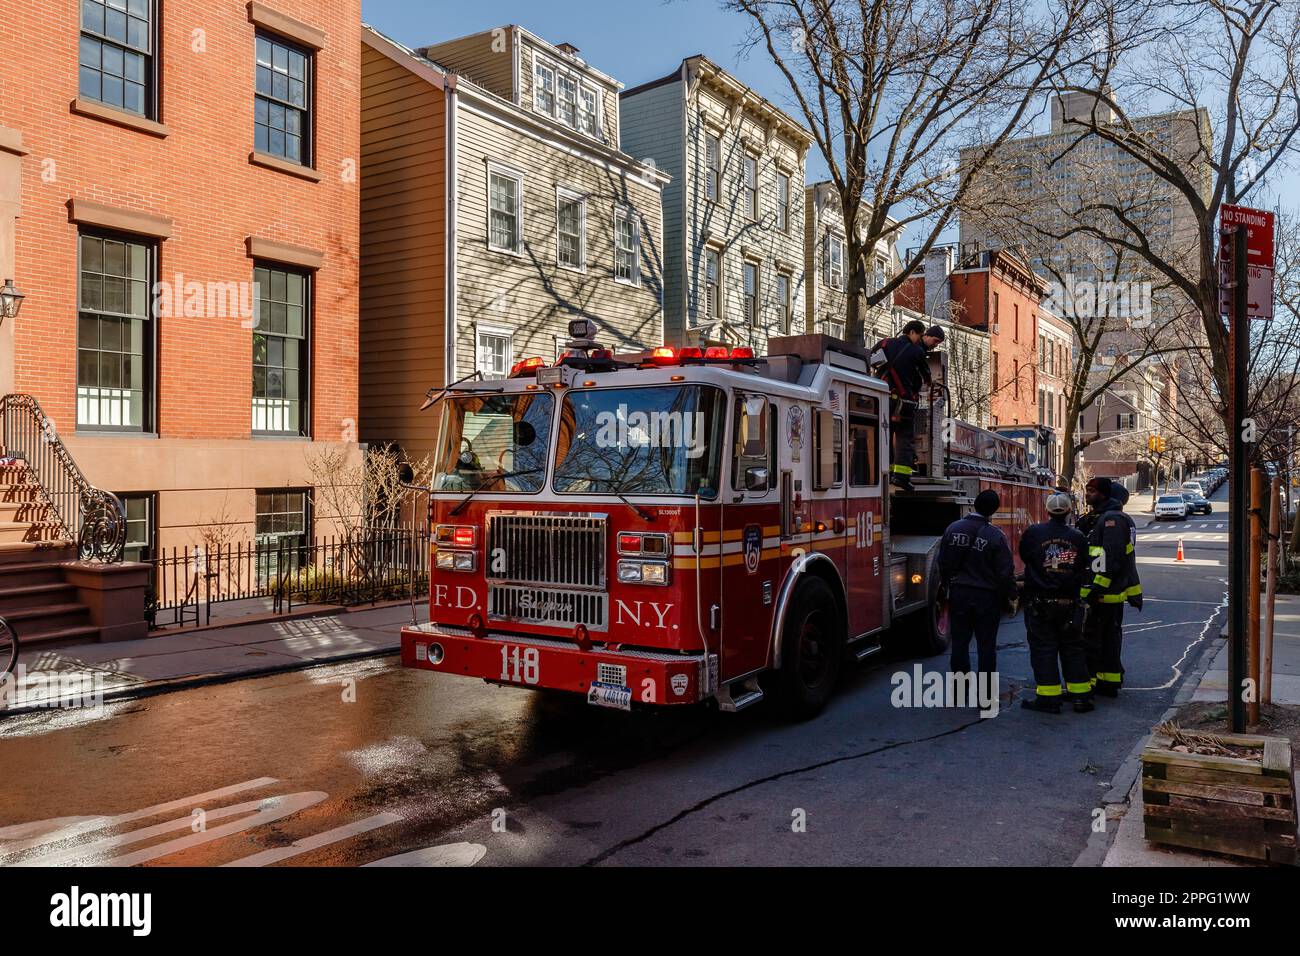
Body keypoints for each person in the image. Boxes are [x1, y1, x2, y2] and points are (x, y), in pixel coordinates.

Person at [1019, 492, 1093, 713]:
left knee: (1044, 649)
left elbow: (1026, 557)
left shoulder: (1034, 533)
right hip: (1069, 602)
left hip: (1040, 602)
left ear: (1047, 510)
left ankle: (1049, 699)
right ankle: (1081, 697)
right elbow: (1083, 564)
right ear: (1069, 511)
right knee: (1073, 648)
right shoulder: (1078, 537)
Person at [938, 489, 1017, 684]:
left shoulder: (953, 529)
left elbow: (943, 562)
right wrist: (1012, 595)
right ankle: (985, 694)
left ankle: (959, 689)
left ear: (974, 504)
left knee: (959, 644)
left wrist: (950, 583)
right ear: (994, 511)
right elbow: (1005, 571)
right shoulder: (996, 536)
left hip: (959, 594)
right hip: (987, 597)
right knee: (986, 646)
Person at [1079, 477, 1142, 697]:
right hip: (1107, 592)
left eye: (1091, 491)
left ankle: (1098, 682)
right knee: (1106, 638)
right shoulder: (1106, 518)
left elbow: (1110, 559)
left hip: (1105, 594)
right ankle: (1107, 681)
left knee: (1096, 639)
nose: (1087, 494)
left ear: (1107, 495)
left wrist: (1096, 588)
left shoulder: (1113, 520)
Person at [872, 320, 943, 491]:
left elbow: (872, 359)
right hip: (905, 402)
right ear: (912, 332)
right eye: (919, 335)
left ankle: (884, 472)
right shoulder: (916, 351)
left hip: (881, 397)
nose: (919, 339)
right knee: (904, 437)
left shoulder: (885, 342)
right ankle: (902, 478)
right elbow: (927, 378)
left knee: (884, 435)